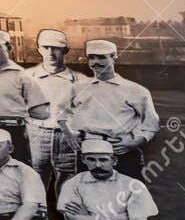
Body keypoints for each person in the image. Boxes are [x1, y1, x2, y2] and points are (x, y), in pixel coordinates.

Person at [55, 138, 169, 220]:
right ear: (83, 160)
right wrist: (123, 217)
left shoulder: (133, 185)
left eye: (103, 160)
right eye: (91, 159)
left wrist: (90, 218)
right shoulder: (73, 183)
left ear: (114, 161)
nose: (98, 165)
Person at [62, 39, 159, 179]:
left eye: (102, 57)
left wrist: (133, 143)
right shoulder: (78, 88)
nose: (96, 62)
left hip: (122, 151)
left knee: (130, 195)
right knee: (89, 194)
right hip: (89, 150)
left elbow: (151, 124)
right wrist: (69, 134)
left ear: (114, 57)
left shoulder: (135, 90)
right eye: (91, 57)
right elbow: (61, 114)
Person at [0, 29, 49, 165]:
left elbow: (42, 112)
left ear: (9, 48)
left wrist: (17, 116)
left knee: (17, 170)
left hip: (13, 130)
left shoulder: (23, 76)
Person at [27, 28, 87, 198]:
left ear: (65, 51)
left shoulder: (80, 80)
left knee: (68, 178)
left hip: (67, 136)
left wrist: (76, 133)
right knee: (36, 177)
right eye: (45, 47)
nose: (51, 53)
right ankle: (36, 219)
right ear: (39, 49)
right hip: (36, 134)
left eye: (56, 48)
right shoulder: (26, 77)